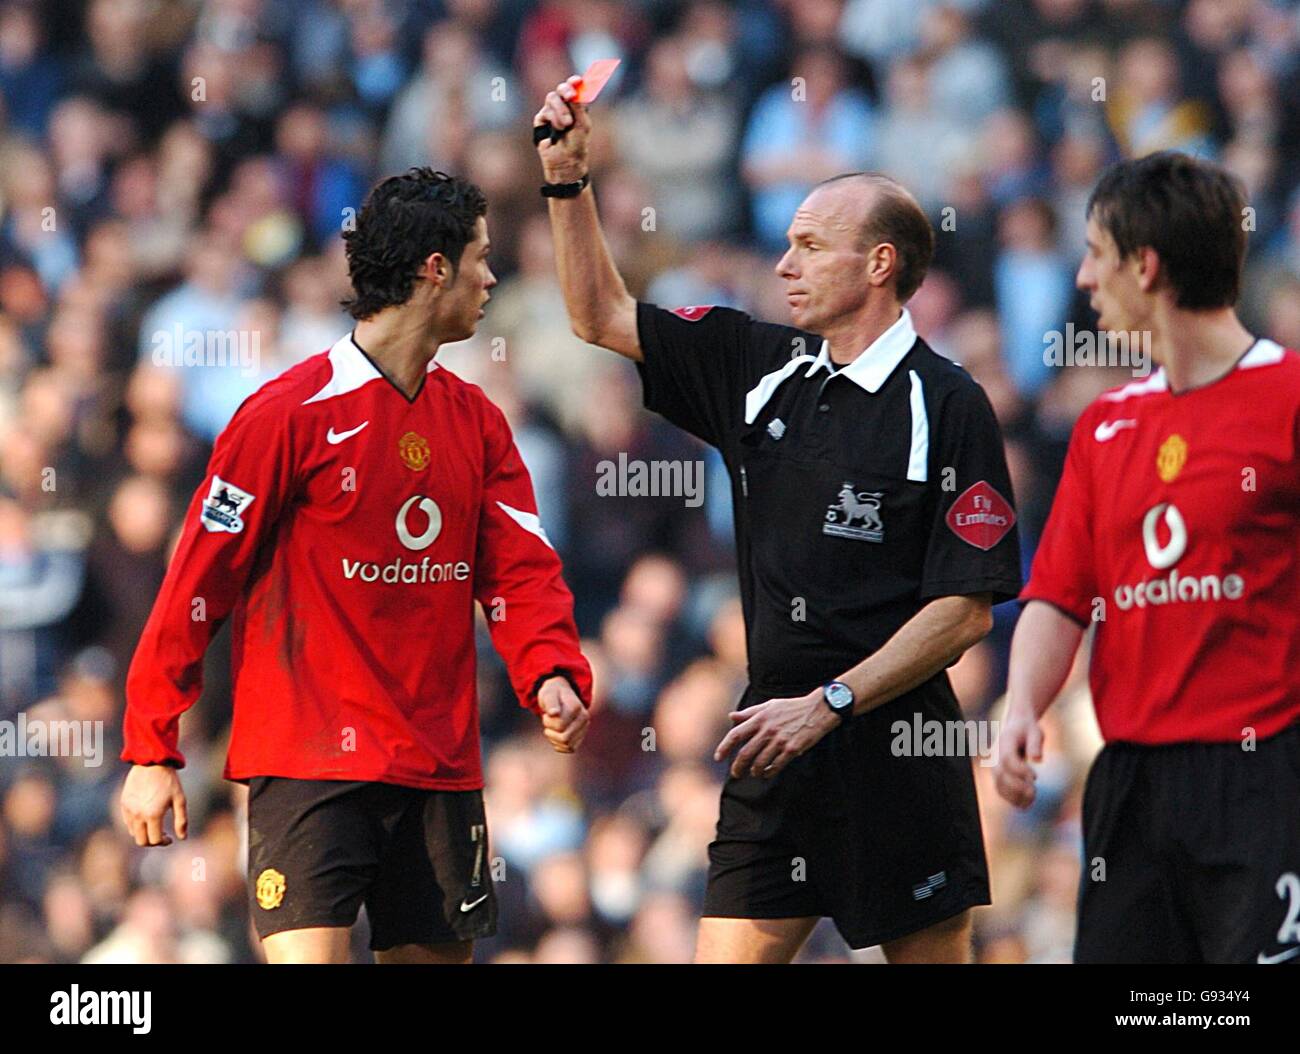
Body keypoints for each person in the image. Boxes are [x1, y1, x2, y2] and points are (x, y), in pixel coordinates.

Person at [534, 77, 1022, 963]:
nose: (784, 264)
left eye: (809, 246)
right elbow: (597, 315)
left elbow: (967, 609)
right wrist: (568, 184)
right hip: (771, 743)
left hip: (898, 751)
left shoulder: (948, 404)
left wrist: (832, 703)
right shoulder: (758, 364)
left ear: (879, 264)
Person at [119, 169, 593, 964]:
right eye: (479, 257)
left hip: (438, 765)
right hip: (308, 763)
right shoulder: (284, 415)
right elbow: (198, 581)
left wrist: (549, 669)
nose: (491, 276)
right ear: (434, 270)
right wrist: (151, 745)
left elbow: (519, 571)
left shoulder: (477, 423)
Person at [995, 151, 1300, 964]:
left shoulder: (1290, 397)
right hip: (1130, 788)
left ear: (1146, 265)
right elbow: (1059, 595)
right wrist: (1022, 703)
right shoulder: (1105, 427)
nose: (1085, 279)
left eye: (1096, 253)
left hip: (1264, 774)